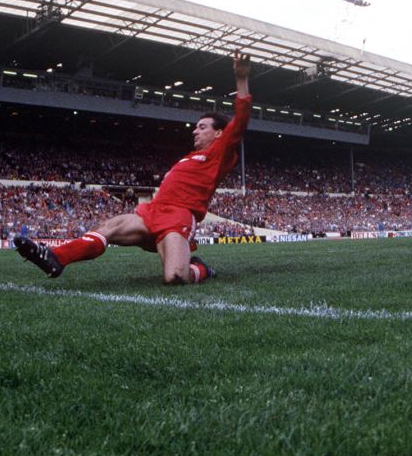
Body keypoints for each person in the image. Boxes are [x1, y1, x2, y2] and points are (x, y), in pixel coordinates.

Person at [15, 53, 252, 284]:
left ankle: (200, 269)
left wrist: (241, 79)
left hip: (178, 218)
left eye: (202, 127)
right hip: (152, 213)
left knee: (176, 277)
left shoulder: (219, 153)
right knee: (107, 227)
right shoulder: (189, 158)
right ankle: (56, 257)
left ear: (219, 133)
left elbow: (240, 123)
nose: (194, 131)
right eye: (195, 127)